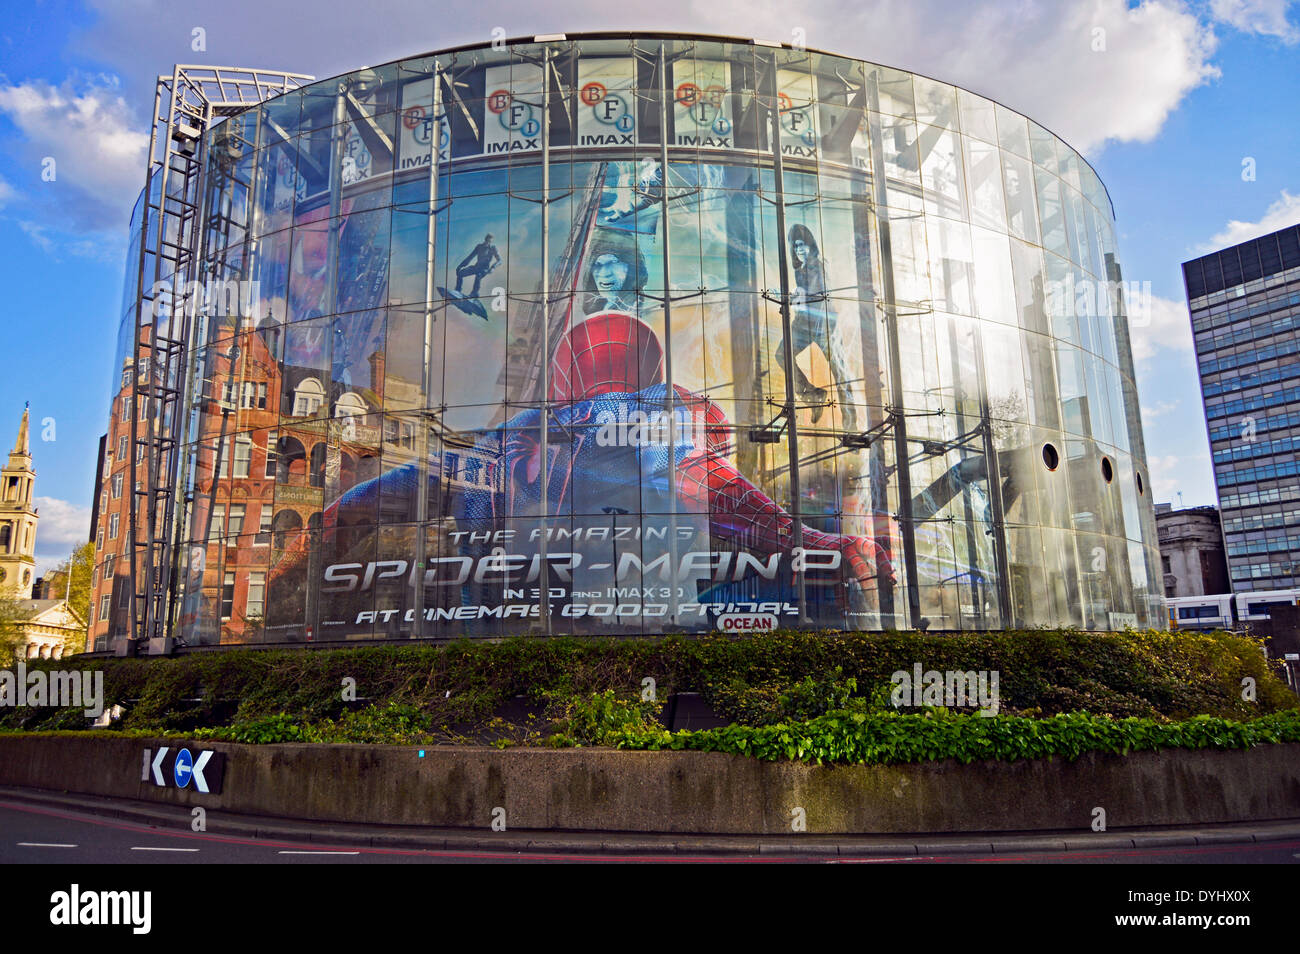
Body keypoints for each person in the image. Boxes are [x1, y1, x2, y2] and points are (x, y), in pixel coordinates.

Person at [286, 312, 892, 626]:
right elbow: (718, 494)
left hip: (509, 621)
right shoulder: (659, 415)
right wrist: (821, 545)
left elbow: (402, 487)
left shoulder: (509, 438)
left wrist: (327, 528)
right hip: (630, 612)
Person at [777, 224, 857, 429]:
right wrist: (794, 298)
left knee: (840, 374)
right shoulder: (800, 269)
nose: (799, 250)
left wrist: (797, 297)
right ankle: (812, 394)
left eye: (803, 245)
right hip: (805, 324)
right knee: (781, 355)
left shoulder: (819, 265)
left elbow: (817, 295)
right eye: (796, 247)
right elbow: (805, 298)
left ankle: (851, 427)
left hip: (824, 327)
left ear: (811, 245)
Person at [454, 234, 501, 298]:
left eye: (489, 241)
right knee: (460, 273)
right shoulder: (479, 247)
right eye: (487, 241)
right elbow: (470, 257)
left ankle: (475, 293)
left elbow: (500, 260)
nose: (487, 243)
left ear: (491, 241)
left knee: (478, 275)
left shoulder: (493, 248)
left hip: (484, 269)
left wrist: (493, 267)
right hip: (476, 267)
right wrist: (460, 266)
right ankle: (457, 291)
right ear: (485, 239)